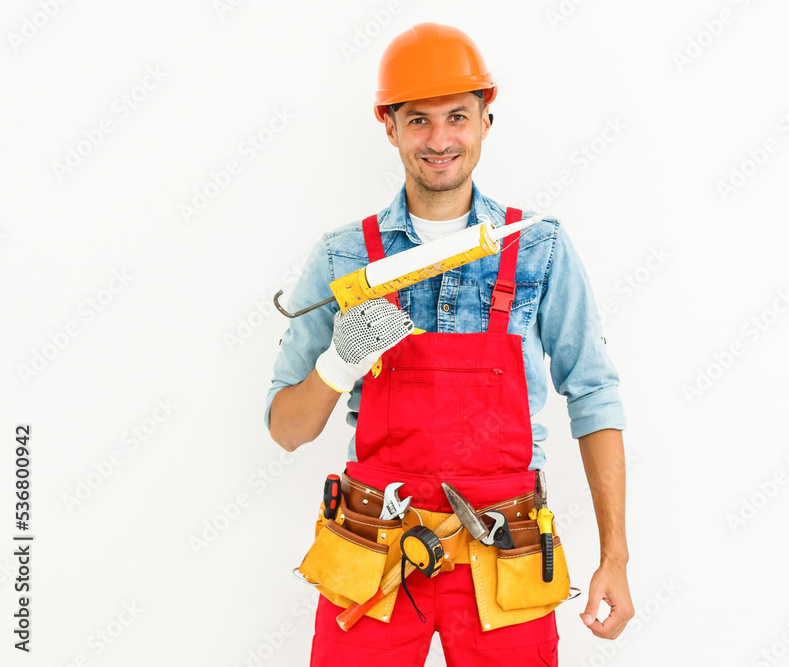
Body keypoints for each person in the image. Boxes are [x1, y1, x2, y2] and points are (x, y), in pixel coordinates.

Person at [265, 22, 633, 665]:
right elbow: (286, 431)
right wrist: (337, 366)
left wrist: (615, 557)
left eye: (457, 116)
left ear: (486, 119)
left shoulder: (537, 247)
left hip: (505, 555)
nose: (439, 140)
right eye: (418, 120)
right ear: (389, 127)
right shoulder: (345, 257)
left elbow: (594, 395)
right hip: (375, 553)